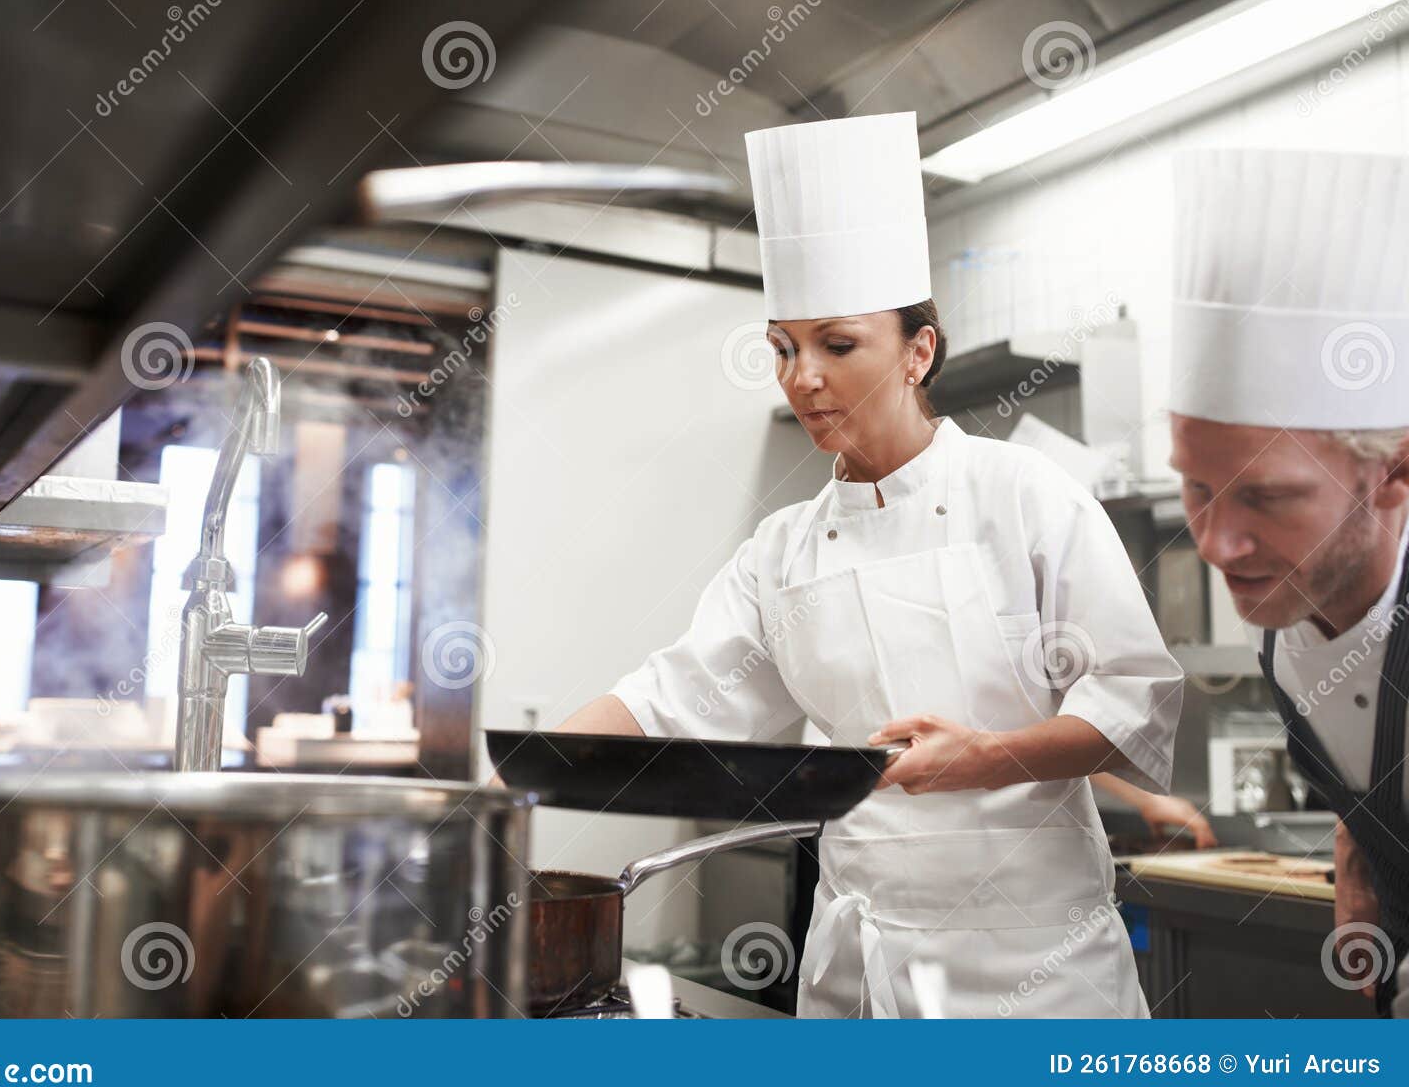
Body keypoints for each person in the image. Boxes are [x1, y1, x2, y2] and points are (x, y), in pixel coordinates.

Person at [550, 113, 1183, 1018]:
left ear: (918, 351)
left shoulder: (1023, 495)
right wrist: (498, 788)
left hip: (1037, 981)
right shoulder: (782, 552)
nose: (802, 377)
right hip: (855, 971)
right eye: (781, 348)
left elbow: (1135, 702)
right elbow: (664, 700)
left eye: (836, 345)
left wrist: (986, 756)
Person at [1168, 148, 1409, 1016]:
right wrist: (1361, 861)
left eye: (1269, 497)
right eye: (1195, 489)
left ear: (1393, 471)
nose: (1219, 544)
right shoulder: (1284, 613)